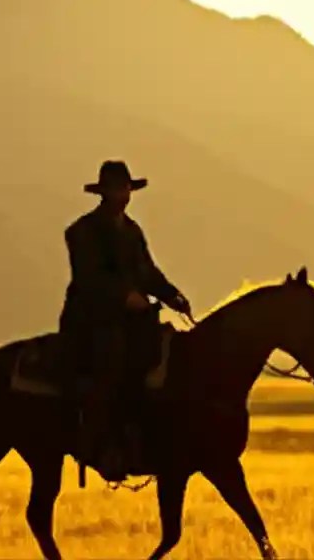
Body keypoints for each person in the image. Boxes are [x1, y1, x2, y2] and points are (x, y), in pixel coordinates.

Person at [58, 159, 191, 483]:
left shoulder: (132, 231)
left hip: (132, 319)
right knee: (112, 359)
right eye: (117, 188)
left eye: (126, 188)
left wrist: (172, 295)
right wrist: (123, 297)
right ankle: (102, 443)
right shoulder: (82, 231)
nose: (123, 194)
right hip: (92, 319)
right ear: (104, 192)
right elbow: (89, 278)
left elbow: (147, 271)